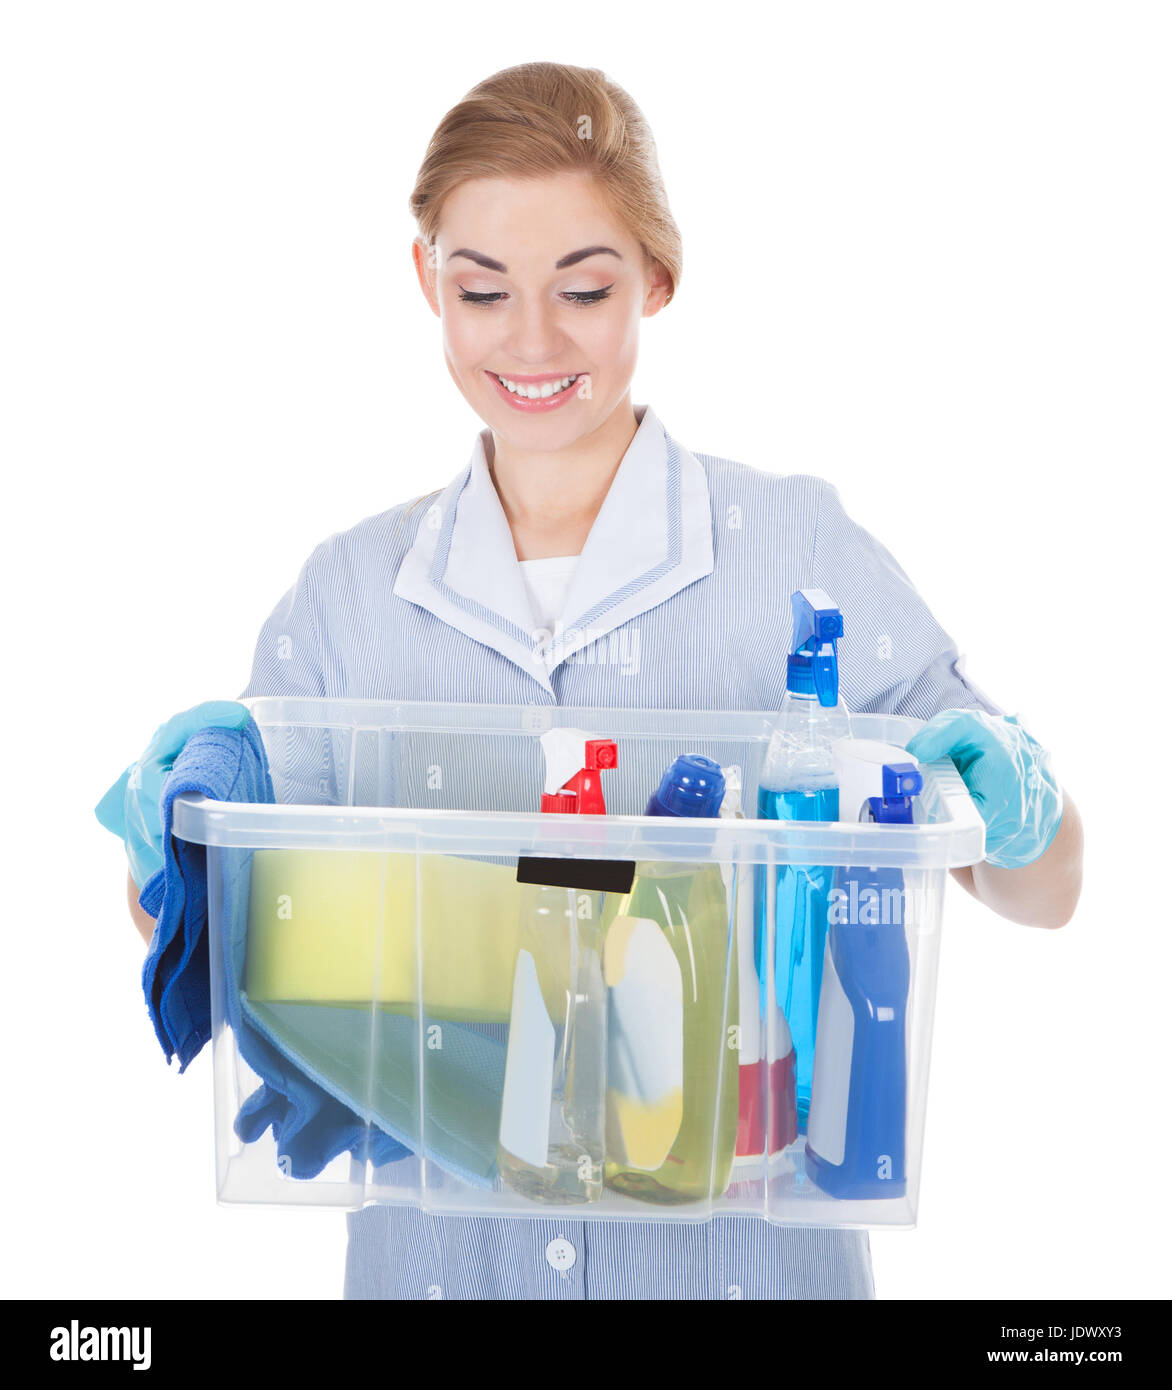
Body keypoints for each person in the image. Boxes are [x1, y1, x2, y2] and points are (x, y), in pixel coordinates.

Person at [114, 61, 1083, 1299]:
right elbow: (197, 924)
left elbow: (1046, 889)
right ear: (425, 280)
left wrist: (1013, 804)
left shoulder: (797, 556)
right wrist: (171, 834)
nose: (530, 340)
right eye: (481, 290)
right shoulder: (346, 600)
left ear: (657, 279)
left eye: (582, 287)